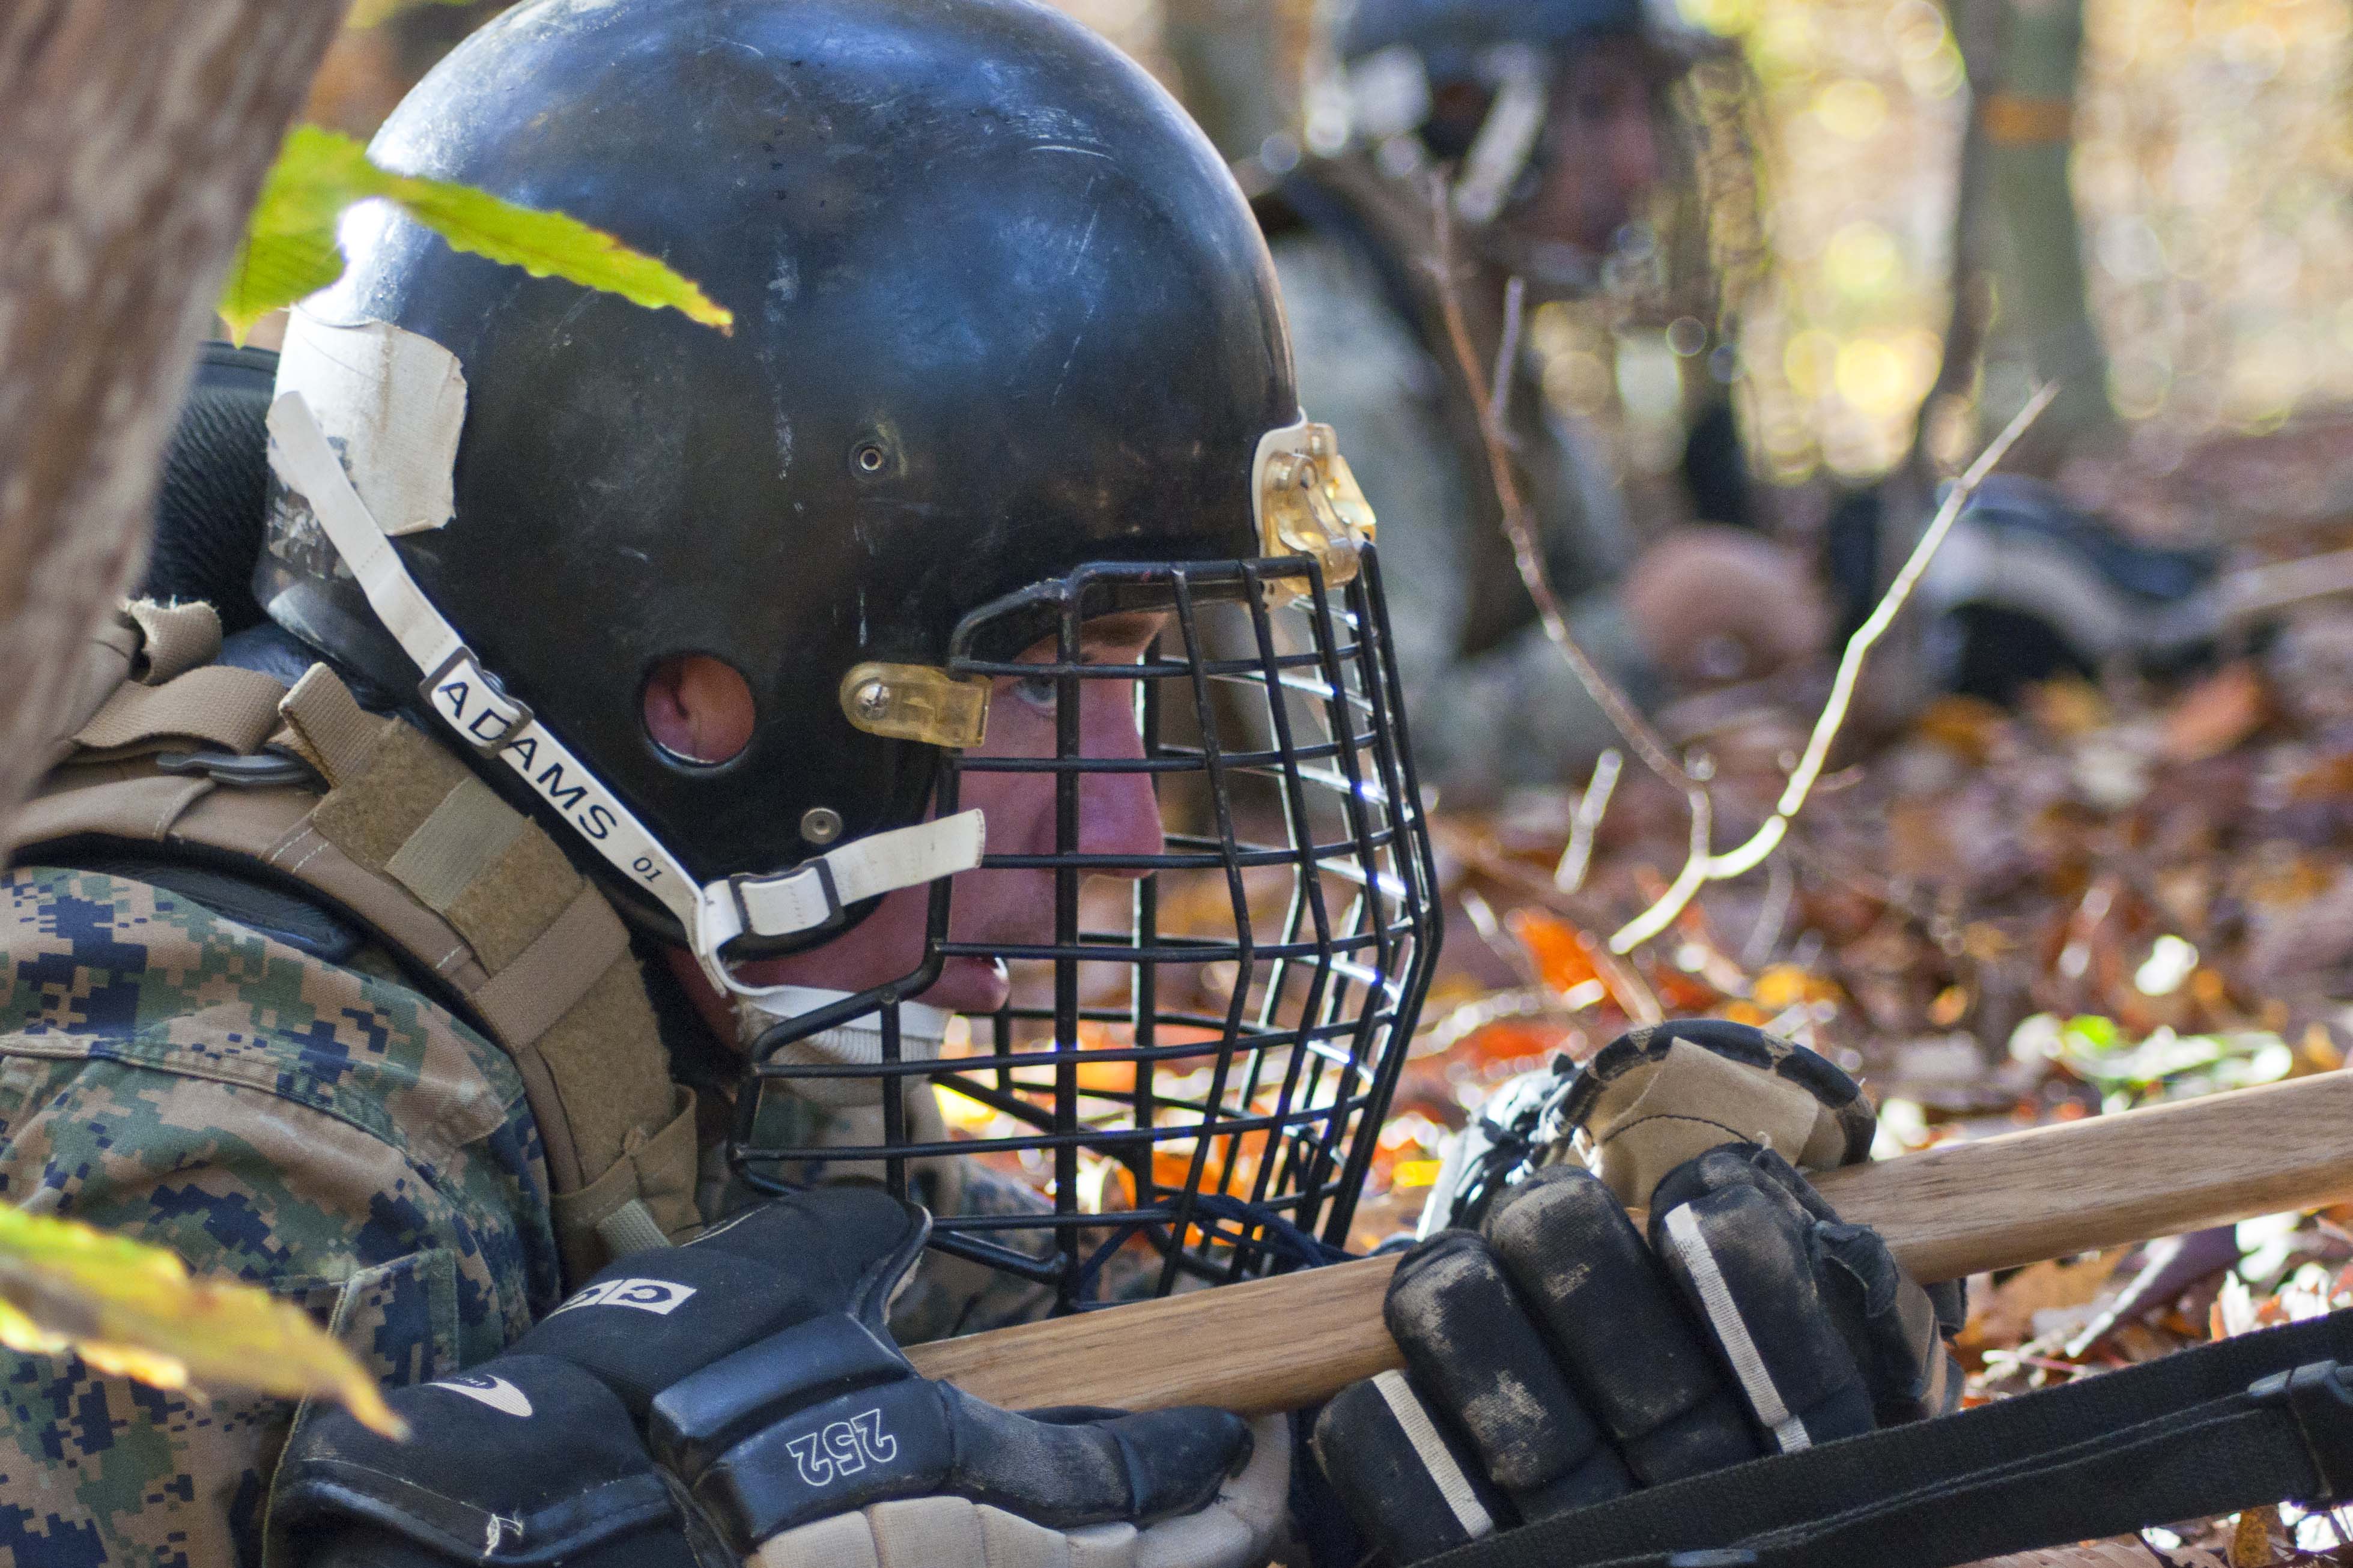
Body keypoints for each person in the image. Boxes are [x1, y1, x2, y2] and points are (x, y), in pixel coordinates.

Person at [0, 2, 1956, 1565]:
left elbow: (1039, 1413)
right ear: (698, 677)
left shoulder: (643, 968)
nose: (1125, 820)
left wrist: (1491, 1349)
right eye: (1057, 673)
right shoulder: (235, 1166)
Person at [1258, 0, 1828, 802]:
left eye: (1645, 110)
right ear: (1453, 111)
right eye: (1595, 107)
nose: (1643, 166)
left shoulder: (1472, 335)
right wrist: (1653, 624)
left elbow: (1580, 596)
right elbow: (1348, 770)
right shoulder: (1323, 361)